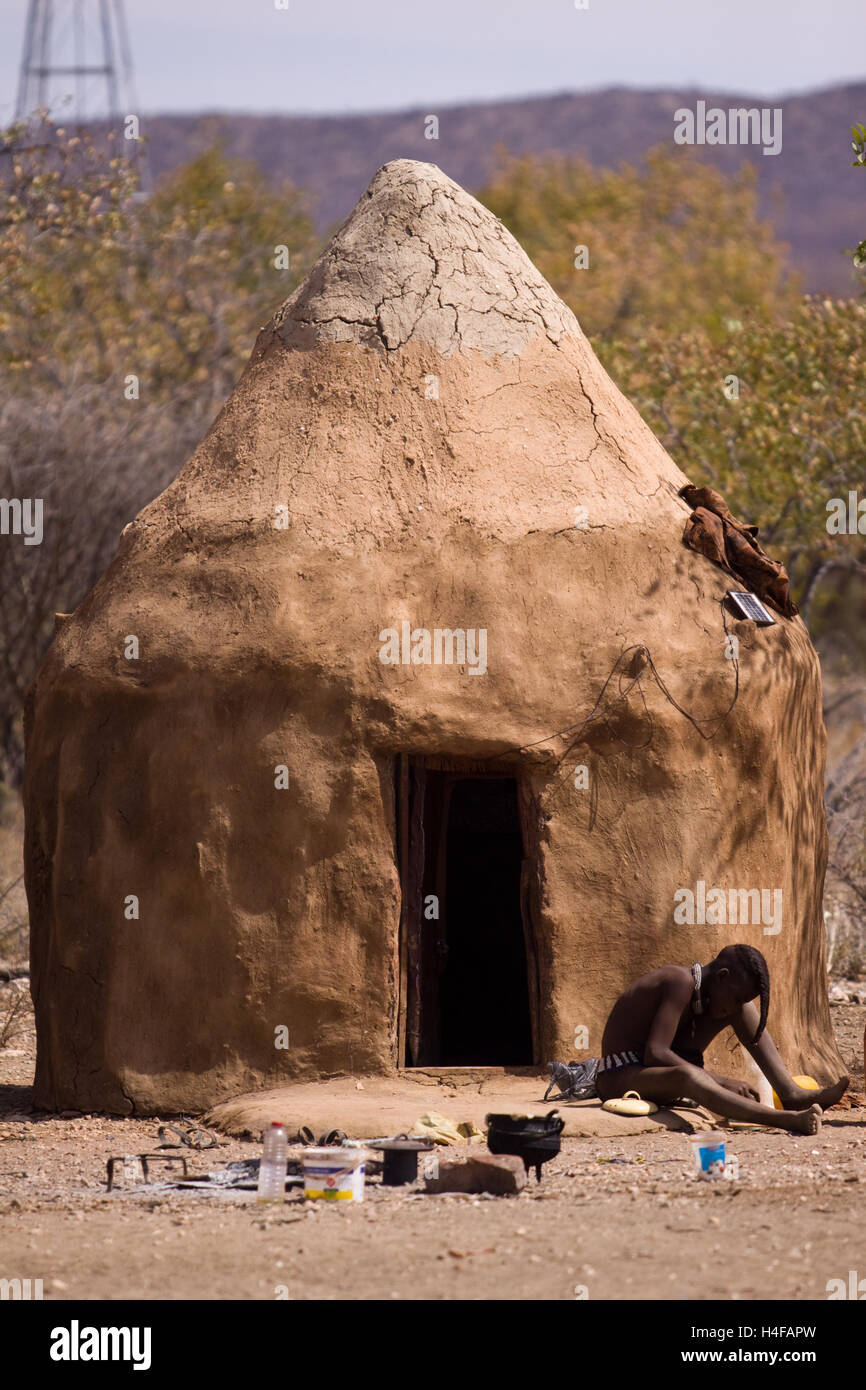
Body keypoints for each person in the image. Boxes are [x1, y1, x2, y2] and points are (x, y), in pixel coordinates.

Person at [596, 944, 848, 1134]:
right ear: (722, 976)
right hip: (622, 1076)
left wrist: (739, 1005)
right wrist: (721, 1080)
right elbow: (656, 1053)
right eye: (736, 996)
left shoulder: (701, 995)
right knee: (689, 1076)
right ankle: (782, 1119)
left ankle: (791, 1093)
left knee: (745, 1010)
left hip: (656, 1074)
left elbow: (665, 1055)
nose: (734, 1006)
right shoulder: (679, 981)